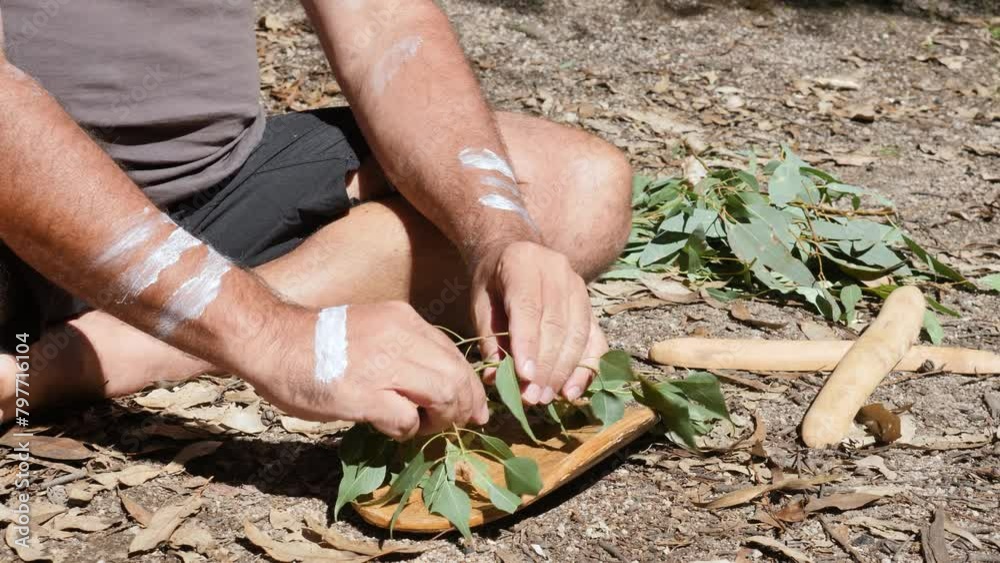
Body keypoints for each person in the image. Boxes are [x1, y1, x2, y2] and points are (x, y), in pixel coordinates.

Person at [0, 1, 632, 440]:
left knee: (572, 186)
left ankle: (103, 354)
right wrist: (274, 337)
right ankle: (168, 334)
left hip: (220, 184)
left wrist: (499, 232)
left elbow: (383, 22)